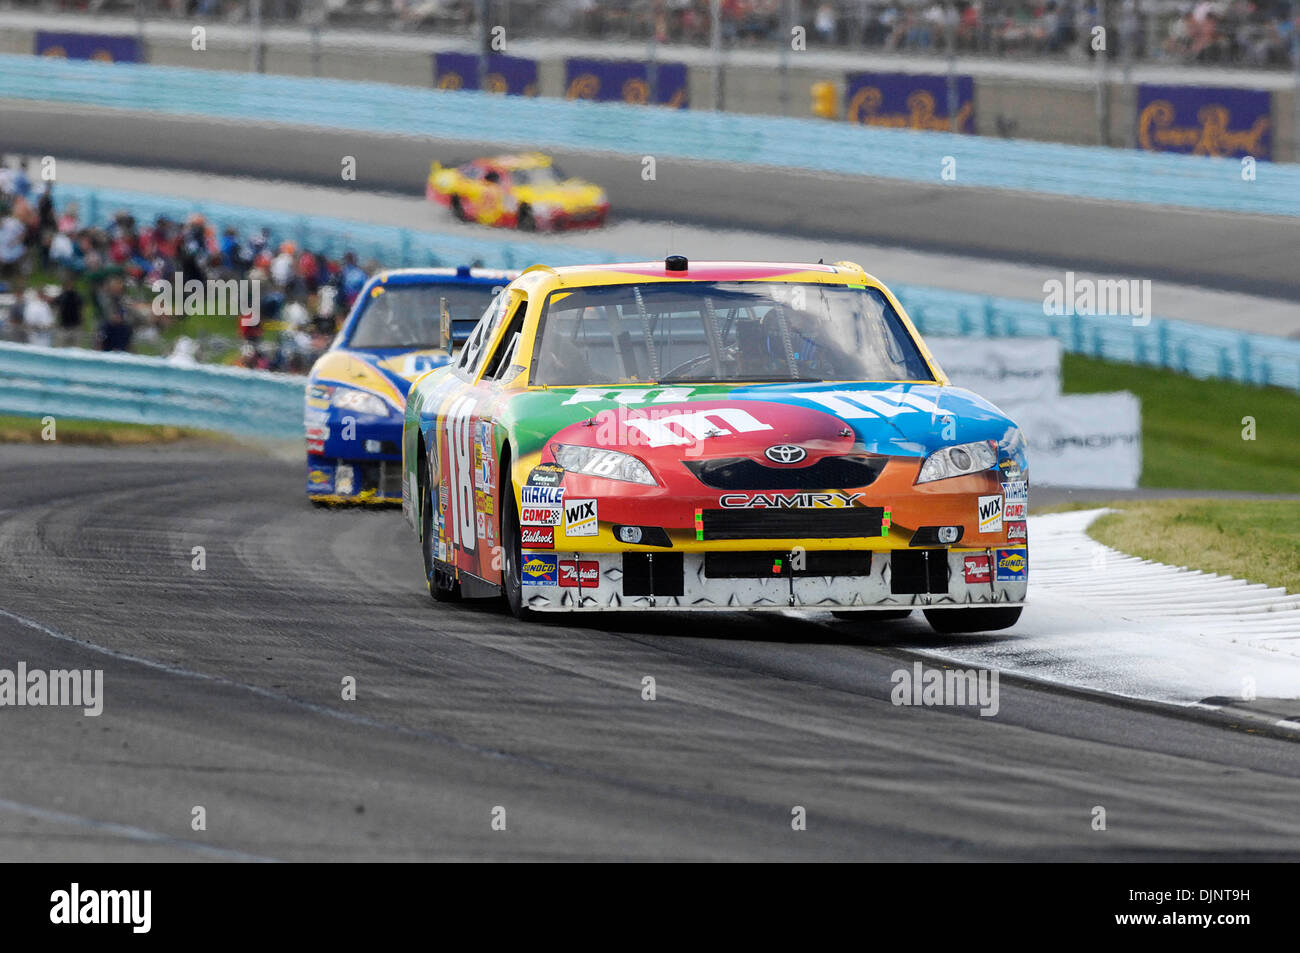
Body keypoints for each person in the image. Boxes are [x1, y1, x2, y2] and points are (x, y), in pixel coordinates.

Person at [55, 276, 83, 347]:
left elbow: (81, 310)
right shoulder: (62, 296)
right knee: (62, 346)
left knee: (76, 347)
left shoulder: (77, 296)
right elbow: (56, 306)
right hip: (64, 325)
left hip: (75, 325)